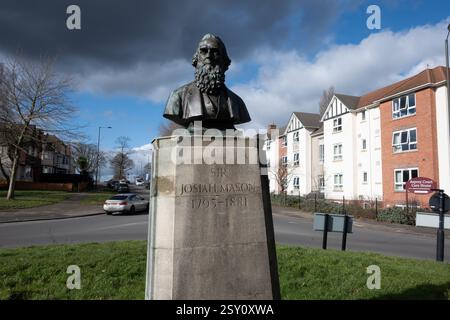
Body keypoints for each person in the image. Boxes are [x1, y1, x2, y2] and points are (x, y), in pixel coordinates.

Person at [163, 34, 251, 131]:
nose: (208, 56)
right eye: (204, 51)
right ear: (196, 59)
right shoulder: (178, 96)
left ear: (224, 60)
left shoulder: (237, 102)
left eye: (215, 52)